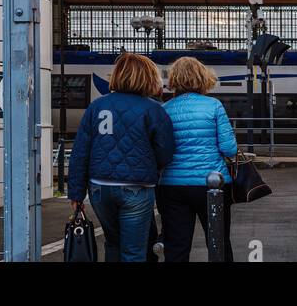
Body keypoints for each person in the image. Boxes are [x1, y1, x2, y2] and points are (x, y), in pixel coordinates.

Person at [68, 52, 174, 262]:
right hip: (136, 188)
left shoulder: (96, 107)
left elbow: (80, 153)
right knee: (134, 252)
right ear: (148, 77)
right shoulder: (154, 110)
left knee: (112, 244)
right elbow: (165, 153)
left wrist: (76, 194)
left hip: (99, 189)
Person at [157, 56, 240, 262]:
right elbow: (229, 148)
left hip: (172, 186)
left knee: (176, 246)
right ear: (203, 77)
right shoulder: (213, 106)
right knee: (219, 242)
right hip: (212, 185)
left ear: (174, 79)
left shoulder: (164, 109)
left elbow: (160, 150)